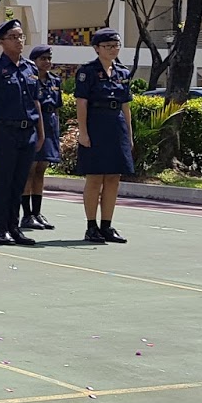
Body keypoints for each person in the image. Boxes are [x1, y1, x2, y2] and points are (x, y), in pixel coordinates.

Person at [0, 19, 44, 247]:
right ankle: (1, 229)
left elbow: (36, 102)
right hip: (4, 132)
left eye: (20, 36)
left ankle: (14, 228)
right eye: (13, 37)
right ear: (2, 42)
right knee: (2, 182)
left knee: (19, 182)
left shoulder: (30, 68)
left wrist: (41, 134)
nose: (18, 41)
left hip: (28, 133)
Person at [73, 28, 134, 244]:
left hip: (116, 125)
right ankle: (91, 226)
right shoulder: (87, 72)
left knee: (113, 178)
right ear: (97, 48)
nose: (113, 50)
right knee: (95, 177)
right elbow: (81, 103)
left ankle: (107, 225)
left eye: (116, 46)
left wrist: (129, 134)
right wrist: (83, 132)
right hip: (96, 124)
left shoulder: (122, 73)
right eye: (108, 46)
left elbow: (126, 106)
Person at [23, 45, 61, 230]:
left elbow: (57, 108)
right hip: (35, 124)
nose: (47, 62)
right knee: (29, 170)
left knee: (41, 170)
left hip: (50, 124)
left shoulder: (55, 80)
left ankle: (37, 212)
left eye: (49, 58)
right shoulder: (29, 80)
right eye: (42, 58)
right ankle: (26, 214)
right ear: (34, 61)